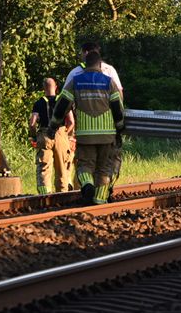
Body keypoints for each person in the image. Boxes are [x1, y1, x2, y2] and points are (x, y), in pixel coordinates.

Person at [48, 51, 124, 205]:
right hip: (107, 135)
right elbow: (118, 108)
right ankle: (100, 201)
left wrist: (53, 125)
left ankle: (87, 186)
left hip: (85, 135)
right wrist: (120, 129)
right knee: (104, 168)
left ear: (85, 65)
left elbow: (61, 106)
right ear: (100, 65)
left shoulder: (75, 81)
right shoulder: (109, 82)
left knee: (84, 166)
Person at [29, 77, 73, 194]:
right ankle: (62, 196)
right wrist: (65, 135)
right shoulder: (63, 101)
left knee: (44, 167)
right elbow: (71, 122)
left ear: (44, 88)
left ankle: (44, 195)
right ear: (56, 87)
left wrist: (34, 137)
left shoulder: (39, 103)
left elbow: (32, 123)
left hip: (44, 135)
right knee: (62, 168)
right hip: (61, 134)